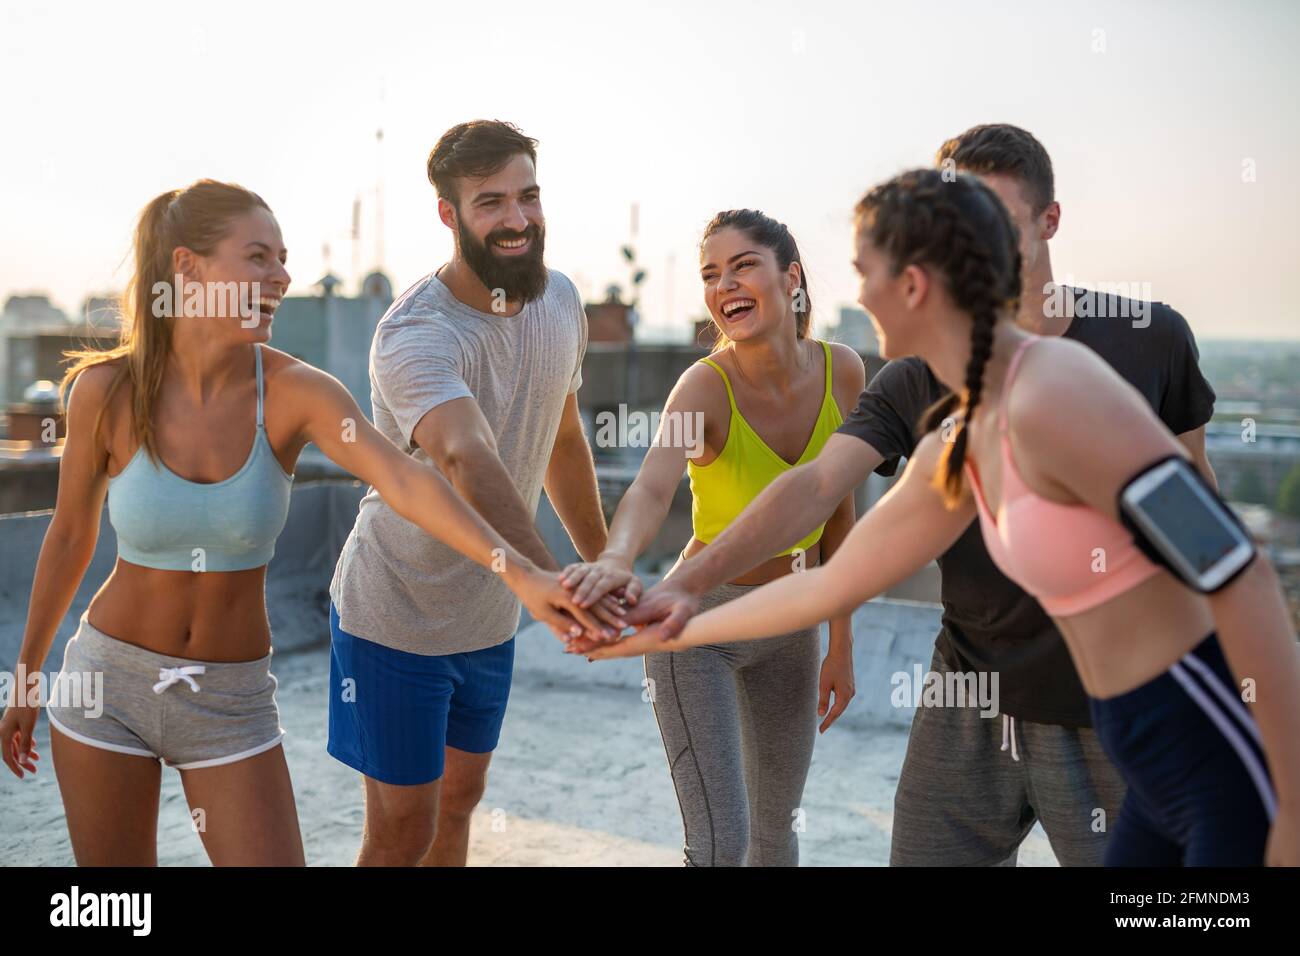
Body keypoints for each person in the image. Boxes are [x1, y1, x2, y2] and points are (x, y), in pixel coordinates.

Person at [583, 168, 1300, 867]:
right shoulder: (959, 437)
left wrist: (1293, 807)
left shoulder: (1063, 395)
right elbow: (832, 583)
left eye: (866, 275)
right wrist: (672, 621)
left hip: (1205, 748)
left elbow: (1238, 570)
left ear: (914, 285)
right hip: (1143, 749)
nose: (858, 295)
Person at [0, 179, 601, 866]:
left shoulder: (296, 392)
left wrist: (520, 574)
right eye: (258, 257)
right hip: (107, 686)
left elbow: (406, 479)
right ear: (187, 267)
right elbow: (70, 537)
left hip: (232, 702)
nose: (282, 276)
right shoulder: (104, 392)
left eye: (283, 259)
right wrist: (26, 682)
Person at [326, 120, 623, 867]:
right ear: (448, 214)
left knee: (459, 804)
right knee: (402, 832)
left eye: (528, 196)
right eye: (490, 202)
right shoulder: (415, 334)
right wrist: (548, 583)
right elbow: (465, 455)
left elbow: (561, 439)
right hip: (397, 612)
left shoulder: (560, 302)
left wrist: (602, 567)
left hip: (487, 619)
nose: (517, 218)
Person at [559, 209, 863, 865]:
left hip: (793, 625)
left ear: (792, 276)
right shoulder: (705, 386)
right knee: (722, 846)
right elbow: (651, 487)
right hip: (697, 629)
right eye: (710, 274)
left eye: (743, 265)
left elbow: (841, 512)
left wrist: (840, 640)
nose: (725, 285)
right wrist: (616, 558)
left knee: (777, 837)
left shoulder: (845, 372)